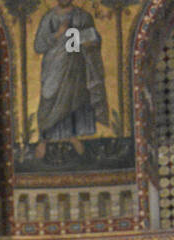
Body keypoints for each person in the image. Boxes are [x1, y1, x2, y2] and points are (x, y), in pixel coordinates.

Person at [34, 0, 108, 141]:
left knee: (77, 99)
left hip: (77, 68)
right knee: (51, 100)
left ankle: (79, 138)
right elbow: (39, 45)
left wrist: (90, 42)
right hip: (54, 69)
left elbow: (94, 40)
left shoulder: (83, 16)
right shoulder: (49, 18)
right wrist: (58, 34)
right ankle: (50, 138)